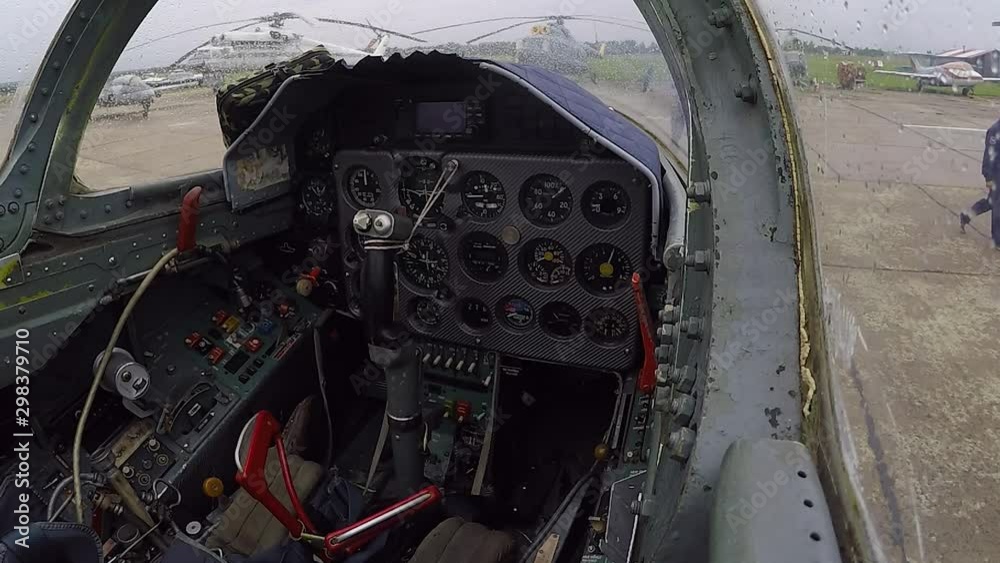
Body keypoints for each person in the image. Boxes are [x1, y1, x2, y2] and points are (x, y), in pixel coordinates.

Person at [960, 119, 1000, 249]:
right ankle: (997, 239)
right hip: (996, 173)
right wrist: (988, 176)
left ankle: (967, 214)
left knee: (991, 202)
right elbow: (989, 155)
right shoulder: (995, 130)